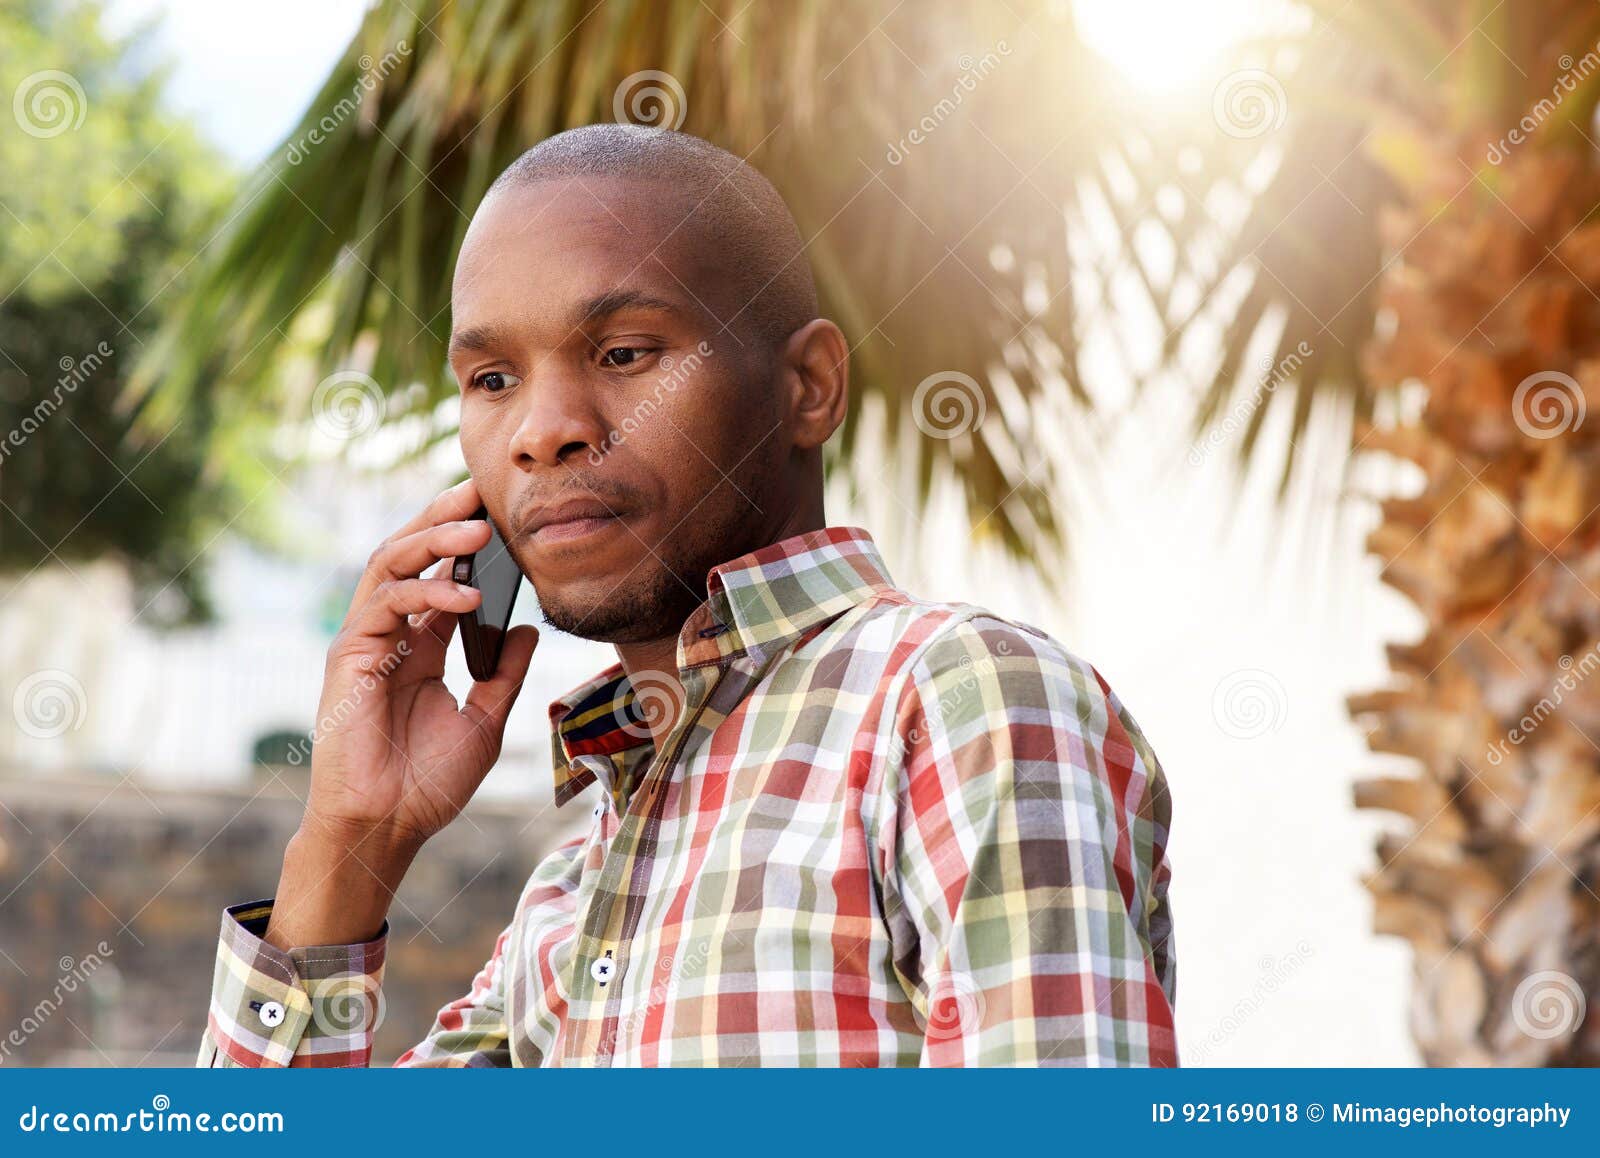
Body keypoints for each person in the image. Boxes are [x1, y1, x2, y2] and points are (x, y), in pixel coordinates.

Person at [197, 124, 1177, 1068]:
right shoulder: (571, 901)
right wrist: (352, 839)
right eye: (493, 378)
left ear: (807, 387)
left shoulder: (958, 705)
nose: (544, 431)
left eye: (624, 354)